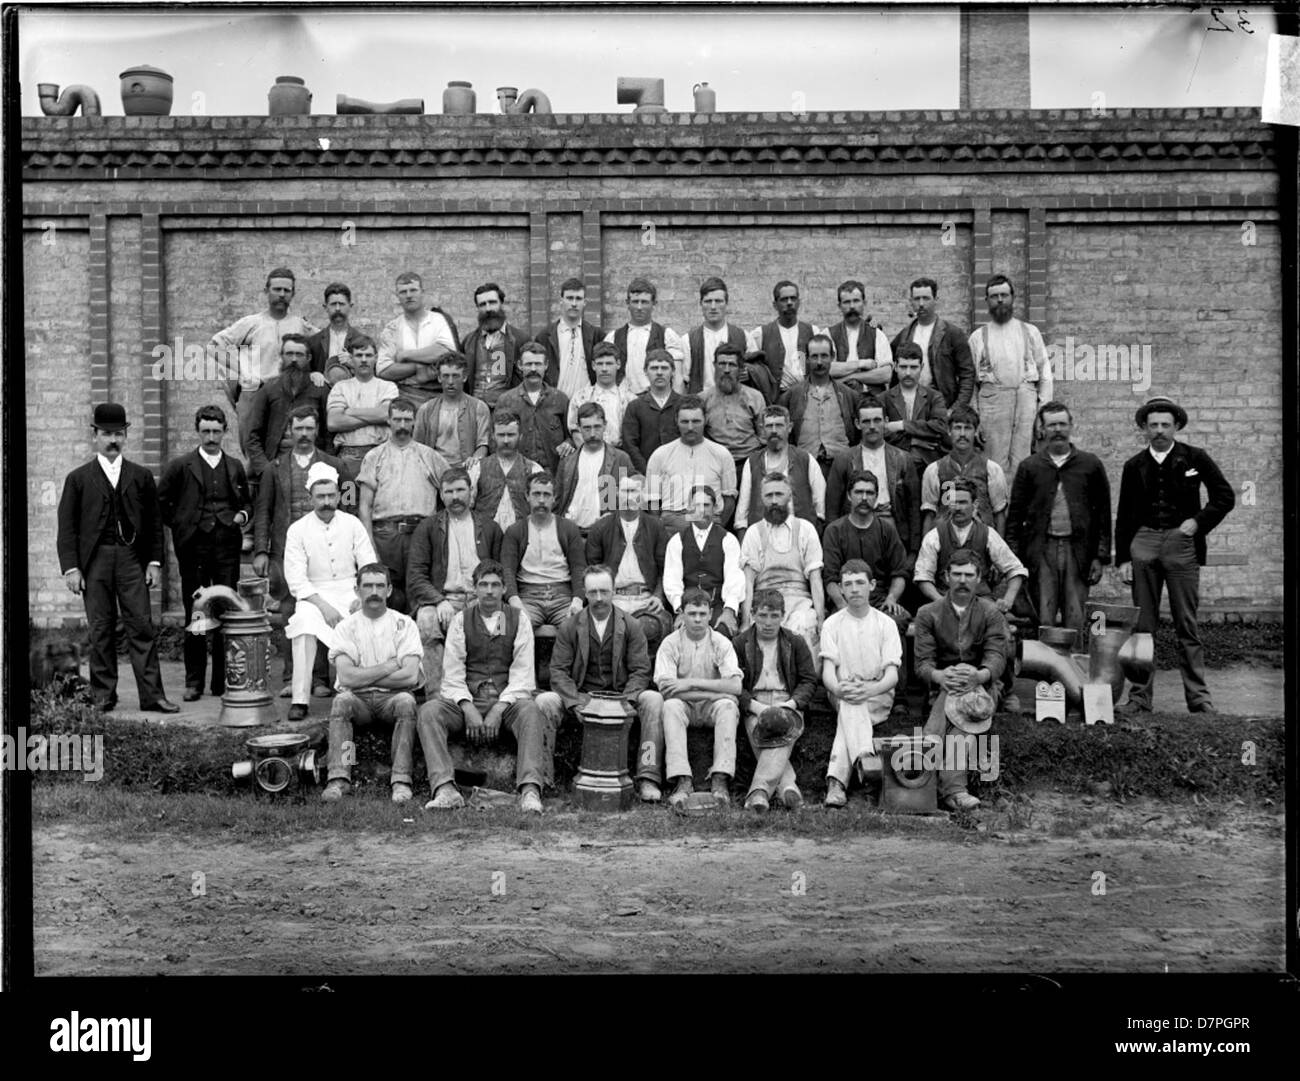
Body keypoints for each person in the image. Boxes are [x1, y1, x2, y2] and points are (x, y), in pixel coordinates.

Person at [1115, 395, 1234, 717]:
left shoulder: (1196, 458)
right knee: (1143, 626)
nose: (1159, 431)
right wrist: (1124, 558)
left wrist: (1198, 522)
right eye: (1153, 425)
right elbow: (1125, 515)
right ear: (1144, 428)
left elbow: (1225, 496)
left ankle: (1198, 698)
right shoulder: (1134, 465)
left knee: (1187, 624)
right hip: (1144, 542)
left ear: (1176, 426)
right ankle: (1140, 697)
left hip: (1182, 545)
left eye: (1165, 425)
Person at [56, 403, 178, 713]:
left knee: (141, 626)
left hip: (130, 560)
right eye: (107, 434)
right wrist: (72, 568)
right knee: (101, 629)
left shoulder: (139, 476)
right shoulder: (78, 479)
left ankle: (153, 696)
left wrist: (153, 562)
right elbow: (67, 528)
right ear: (94, 435)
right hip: (94, 562)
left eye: (119, 434)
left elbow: (154, 524)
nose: (113, 440)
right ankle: (103, 696)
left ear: (126, 436)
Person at [419, 559, 550, 814]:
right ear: (475, 589)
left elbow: (523, 674)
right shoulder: (461, 620)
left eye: (495, 585)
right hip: (470, 697)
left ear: (503, 589)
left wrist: (499, 709)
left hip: (506, 699)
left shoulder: (518, 619)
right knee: (428, 712)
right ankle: (445, 789)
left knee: (532, 712)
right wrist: (467, 708)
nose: (489, 591)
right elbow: (453, 674)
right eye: (483, 585)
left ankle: (530, 790)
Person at [538, 564, 667, 802]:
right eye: (593, 592)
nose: (599, 598)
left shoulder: (631, 625)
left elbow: (640, 671)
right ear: (585, 594)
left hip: (621, 697)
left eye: (604, 592)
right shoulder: (569, 626)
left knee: (654, 700)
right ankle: (545, 779)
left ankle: (648, 776)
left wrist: (627, 702)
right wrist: (575, 703)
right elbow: (558, 671)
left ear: (613, 592)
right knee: (545, 701)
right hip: (582, 696)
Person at [252, 407, 354, 692]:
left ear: (317, 430)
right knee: (289, 613)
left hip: (326, 550)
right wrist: (261, 550)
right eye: (299, 429)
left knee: (322, 610)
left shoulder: (337, 466)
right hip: (286, 551)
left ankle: (319, 679)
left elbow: (350, 505)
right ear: (289, 431)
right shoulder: (274, 469)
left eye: (309, 428)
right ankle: (291, 678)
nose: (304, 434)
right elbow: (263, 512)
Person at [157, 405, 253, 702]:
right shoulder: (180, 466)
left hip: (226, 546)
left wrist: (240, 517)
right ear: (197, 431)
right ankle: (194, 681)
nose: (211, 437)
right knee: (196, 613)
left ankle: (221, 681)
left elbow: (248, 503)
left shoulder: (235, 465)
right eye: (205, 431)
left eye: (216, 431)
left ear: (225, 431)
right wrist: (183, 526)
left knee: (226, 612)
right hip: (194, 548)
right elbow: (162, 503)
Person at [913, 478, 1028, 711]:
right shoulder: (935, 536)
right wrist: (945, 604)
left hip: (981, 600)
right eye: (954, 502)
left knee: (1004, 631)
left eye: (964, 502)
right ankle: (937, 688)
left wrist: (1007, 599)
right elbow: (923, 577)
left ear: (974, 506)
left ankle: (1004, 688)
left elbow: (1015, 569)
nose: (958, 507)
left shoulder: (988, 534)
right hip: (944, 597)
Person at [1005, 401, 1111, 646]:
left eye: (1062, 424)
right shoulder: (1030, 467)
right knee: (1044, 615)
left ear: (1071, 426)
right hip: (1042, 551)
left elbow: (1103, 515)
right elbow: (1015, 517)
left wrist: (1100, 556)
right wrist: (1015, 559)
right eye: (1052, 425)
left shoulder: (1090, 465)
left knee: (1075, 615)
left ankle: (1074, 673)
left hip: (1079, 551)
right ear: (1042, 430)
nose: (1058, 430)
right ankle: (1048, 676)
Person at [913, 548, 1009, 811]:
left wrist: (978, 675)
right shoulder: (927, 613)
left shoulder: (990, 613)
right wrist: (940, 676)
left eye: (969, 575)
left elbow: (997, 658)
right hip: (942, 689)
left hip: (982, 689)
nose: (963, 581)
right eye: (957, 574)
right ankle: (954, 790)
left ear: (979, 578)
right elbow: (922, 664)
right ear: (946, 577)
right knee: (957, 698)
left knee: (967, 704)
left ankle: (928, 773)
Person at [320, 563, 424, 804]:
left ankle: (400, 780)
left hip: (392, 700)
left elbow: (410, 676)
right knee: (342, 701)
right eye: (368, 586)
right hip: (359, 701)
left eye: (380, 586)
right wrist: (389, 666)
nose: (374, 591)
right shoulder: (346, 627)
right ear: (357, 590)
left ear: (389, 590)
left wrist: (363, 674)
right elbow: (346, 678)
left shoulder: (405, 624)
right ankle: (340, 777)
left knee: (407, 702)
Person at [282, 463, 379, 719]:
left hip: (350, 591)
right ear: (310, 498)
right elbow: (296, 580)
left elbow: (368, 565)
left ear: (338, 495)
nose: (326, 502)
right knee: (303, 624)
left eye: (330, 495)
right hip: (314, 595)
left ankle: (360, 693)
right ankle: (300, 699)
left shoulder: (353, 524)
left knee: (367, 619)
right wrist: (323, 606)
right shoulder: (298, 530)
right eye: (320, 496)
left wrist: (363, 596)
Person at [407, 467, 504, 694]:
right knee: (426, 620)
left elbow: (501, 572)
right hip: (444, 599)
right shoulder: (428, 527)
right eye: (449, 491)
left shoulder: (489, 527)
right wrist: (439, 601)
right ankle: (437, 695)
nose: (455, 497)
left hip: (483, 599)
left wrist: (488, 600)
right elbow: (416, 575)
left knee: (501, 623)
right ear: (441, 495)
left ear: (471, 491)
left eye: (461, 490)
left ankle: (490, 691)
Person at [209, 267, 319, 459]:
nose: (281, 295)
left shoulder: (299, 324)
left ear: (293, 294)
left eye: (286, 290)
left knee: (285, 447)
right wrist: (242, 370)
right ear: (266, 291)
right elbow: (214, 346)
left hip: (287, 395)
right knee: (253, 447)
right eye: (277, 289)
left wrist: (318, 373)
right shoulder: (252, 323)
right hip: (255, 391)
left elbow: (321, 344)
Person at [820, 560, 903, 807]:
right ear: (841, 590)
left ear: (872, 585)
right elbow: (827, 673)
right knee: (849, 702)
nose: (854, 589)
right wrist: (837, 689)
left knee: (851, 708)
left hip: (878, 693)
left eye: (860, 583)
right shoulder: (832, 624)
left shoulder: (885, 623)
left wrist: (869, 689)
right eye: (848, 584)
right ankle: (865, 758)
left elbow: (892, 676)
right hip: (842, 691)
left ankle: (836, 783)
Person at [357, 398, 450, 614]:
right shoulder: (374, 456)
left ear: (414, 422)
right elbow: (364, 507)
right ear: (388, 421)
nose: (401, 425)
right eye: (397, 419)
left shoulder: (429, 456)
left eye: (407, 420)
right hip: (385, 536)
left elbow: (453, 488)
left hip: (420, 533)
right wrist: (369, 546)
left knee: (420, 593)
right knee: (386, 595)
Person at [656, 587, 745, 809]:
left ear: (710, 615)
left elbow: (735, 685)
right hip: (685, 706)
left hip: (711, 707)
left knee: (727, 706)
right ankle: (682, 780)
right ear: (682, 614)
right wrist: (717, 691)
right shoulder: (670, 643)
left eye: (702, 614)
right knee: (671, 706)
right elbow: (667, 691)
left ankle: (720, 780)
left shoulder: (721, 642)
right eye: (692, 613)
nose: (697, 619)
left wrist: (690, 683)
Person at [733, 588, 818, 812]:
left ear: (783, 615)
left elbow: (809, 680)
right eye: (762, 616)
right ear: (752, 615)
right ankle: (788, 787)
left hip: (787, 702)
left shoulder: (795, 642)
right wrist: (756, 707)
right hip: (756, 704)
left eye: (774, 616)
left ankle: (759, 792)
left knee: (782, 726)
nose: (768, 622)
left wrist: (791, 705)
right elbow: (734, 685)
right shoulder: (741, 643)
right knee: (764, 731)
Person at [968, 274, 1053, 476]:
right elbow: (970, 384)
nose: (999, 300)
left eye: (1004, 295)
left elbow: (1046, 376)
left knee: (1026, 465)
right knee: (993, 467)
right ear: (987, 301)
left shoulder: (1030, 332)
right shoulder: (978, 337)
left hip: (1026, 405)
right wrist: (975, 420)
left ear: (1012, 298)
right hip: (992, 405)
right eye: (994, 296)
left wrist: (1043, 416)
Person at [584, 472, 673, 656]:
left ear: (642, 496)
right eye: (624, 491)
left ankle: (645, 677)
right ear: (617, 495)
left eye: (634, 491)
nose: (629, 496)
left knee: (650, 627)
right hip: (612, 599)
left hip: (645, 600)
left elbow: (666, 569)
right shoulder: (601, 527)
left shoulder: (655, 526)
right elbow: (592, 570)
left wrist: (658, 596)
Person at [739, 472, 825, 658]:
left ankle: (805, 684)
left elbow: (815, 579)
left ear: (789, 496)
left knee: (804, 627)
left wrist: (820, 619)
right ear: (762, 499)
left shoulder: (805, 529)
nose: (774, 501)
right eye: (769, 496)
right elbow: (747, 583)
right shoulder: (754, 533)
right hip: (764, 603)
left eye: (779, 494)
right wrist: (745, 621)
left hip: (799, 603)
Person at [825, 398, 921, 557]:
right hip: (855, 525)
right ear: (857, 423)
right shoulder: (844, 460)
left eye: (877, 420)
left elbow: (913, 508)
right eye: (866, 421)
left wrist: (913, 551)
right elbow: (832, 508)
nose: (872, 427)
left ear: (886, 421)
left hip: (892, 523)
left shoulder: (903, 459)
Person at [822, 469, 911, 631]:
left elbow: (900, 572)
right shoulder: (834, 531)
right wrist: (842, 606)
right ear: (849, 496)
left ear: (876, 498)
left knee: (896, 621)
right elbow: (830, 578)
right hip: (847, 597)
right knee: (843, 625)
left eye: (869, 493)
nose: (864, 498)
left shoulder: (887, 530)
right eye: (859, 492)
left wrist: (892, 598)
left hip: (879, 598)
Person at [500, 470, 587, 630]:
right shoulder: (515, 531)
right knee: (507, 626)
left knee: (579, 628)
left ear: (554, 498)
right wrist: (514, 600)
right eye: (536, 494)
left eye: (547, 495)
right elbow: (507, 570)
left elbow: (578, 568)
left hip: (562, 595)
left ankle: (564, 657)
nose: (541, 500)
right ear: (527, 496)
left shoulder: (568, 529)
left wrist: (577, 600)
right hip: (528, 595)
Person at [644, 395, 737, 534]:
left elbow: (729, 499)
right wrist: (660, 531)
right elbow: (652, 500)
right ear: (676, 421)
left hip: (710, 521)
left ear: (705, 419)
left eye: (696, 421)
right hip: (671, 523)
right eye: (684, 421)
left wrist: (717, 530)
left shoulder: (722, 454)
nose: (690, 427)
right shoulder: (660, 455)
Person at [661, 485, 744, 639]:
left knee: (723, 633)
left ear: (715, 508)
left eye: (706, 505)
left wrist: (729, 611)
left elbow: (734, 578)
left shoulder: (728, 540)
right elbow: (672, 580)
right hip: (688, 607)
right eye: (696, 505)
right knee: (682, 635)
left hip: (716, 605)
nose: (701, 511)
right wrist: (680, 610)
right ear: (688, 508)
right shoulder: (677, 541)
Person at [243, 334, 329, 479]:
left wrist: (325, 467)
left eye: (299, 354)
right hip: (275, 463)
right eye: (289, 354)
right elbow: (252, 435)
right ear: (281, 357)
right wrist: (265, 470)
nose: (294, 359)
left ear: (308, 358)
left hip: (314, 465)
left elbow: (329, 435)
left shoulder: (320, 389)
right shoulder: (268, 389)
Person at [920, 403, 1008, 536]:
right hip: (947, 542)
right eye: (957, 428)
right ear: (949, 431)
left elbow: (999, 514)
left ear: (976, 431)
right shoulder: (934, 470)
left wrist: (999, 549)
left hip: (981, 541)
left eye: (967, 428)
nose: (962, 434)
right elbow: (930, 514)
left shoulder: (992, 469)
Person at [375, 271, 460, 408]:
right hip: (405, 395)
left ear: (422, 292)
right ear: (397, 296)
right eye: (403, 292)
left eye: (413, 290)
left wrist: (406, 355)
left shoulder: (438, 320)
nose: (409, 295)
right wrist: (419, 367)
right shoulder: (392, 328)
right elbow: (383, 371)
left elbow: (447, 352)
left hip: (440, 394)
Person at [780, 334, 859, 478]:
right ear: (807, 359)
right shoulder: (792, 395)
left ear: (832, 357)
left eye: (824, 356)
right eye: (814, 356)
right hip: (804, 466)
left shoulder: (848, 395)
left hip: (841, 467)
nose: (820, 362)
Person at [889, 276, 975, 408]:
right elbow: (894, 375)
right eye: (917, 299)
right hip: (911, 405)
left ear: (936, 301)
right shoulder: (904, 335)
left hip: (943, 404)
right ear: (911, 302)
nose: (921, 304)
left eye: (926, 298)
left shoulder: (952, 334)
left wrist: (955, 410)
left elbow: (967, 375)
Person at [701, 343, 766, 500]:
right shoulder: (703, 399)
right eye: (722, 364)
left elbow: (764, 436)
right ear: (714, 366)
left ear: (741, 368)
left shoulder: (754, 397)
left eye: (732, 365)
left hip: (749, 464)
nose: (727, 369)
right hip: (715, 466)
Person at [495, 341, 570, 475]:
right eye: (529, 364)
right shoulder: (506, 400)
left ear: (546, 365)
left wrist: (568, 444)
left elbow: (570, 436)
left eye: (538, 364)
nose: (533, 369)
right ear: (520, 365)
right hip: (517, 474)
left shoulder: (560, 399)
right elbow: (495, 440)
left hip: (553, 474)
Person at [555, 402, 633, 532]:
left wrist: (615, 517)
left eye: (597, 427)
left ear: (605, 426)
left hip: (606, 533)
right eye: (587, 428)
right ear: (578, 428)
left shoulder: (620, 459)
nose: (592, 434)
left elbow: (631, 499)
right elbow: (557, 500)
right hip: (572, 533)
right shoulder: (567, 462)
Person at [745, 280, 824, 403]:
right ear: (775, 305)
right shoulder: (760, 334)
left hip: (807, 397)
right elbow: (754, 369)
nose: (789, 303)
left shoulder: (812, 332)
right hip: (776, 398)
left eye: (793, 298)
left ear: (799, 302)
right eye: (784, 299)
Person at [326, 334, 398, 469]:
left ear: (376, 358)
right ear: (351, 359)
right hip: (348, 456)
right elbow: (334, 422)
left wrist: (350, 411)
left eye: (368, 355)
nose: (364, 360)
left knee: (382, 490)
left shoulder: (388, 387)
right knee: (349, 490)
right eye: (359, 355)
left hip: (382, 454)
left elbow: (386, 415)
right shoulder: (340, 387)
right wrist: (375, 416)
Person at [604, 277, 685, 395]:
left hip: (656, 401)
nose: (639, 307)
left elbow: (677, 379)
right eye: (635, 302)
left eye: (644, 302)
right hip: (622, 401)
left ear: (654, 304)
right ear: (628, 303)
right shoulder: (613, 337)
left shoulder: (667, 336)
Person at [412, 354, 492, 469]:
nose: (450, 381)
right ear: (439, 378)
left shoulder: (479, 407)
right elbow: (417, 447)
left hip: (467, 470)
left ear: (464, 377)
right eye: (445, 376)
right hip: (434, 470)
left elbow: (483, 444)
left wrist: (475, 459)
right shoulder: (426, 409)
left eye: (455, 376)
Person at [880, 343, 950, 471]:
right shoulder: (883, 399)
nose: (908, 373)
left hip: (930, 465)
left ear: (921, 367)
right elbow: (880, 432)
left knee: (948, 488)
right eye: (903, 367)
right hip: (894, 466)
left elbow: (940, 427)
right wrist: (912, 441)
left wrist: (901, 425)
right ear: (895, 367)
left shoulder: (934, 397)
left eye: (913, 367)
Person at [535, 277, 605, 400]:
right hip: (554, 402)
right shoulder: (544, 337)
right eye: (569, 298)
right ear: (561, 301)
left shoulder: (596, 335)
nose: (574, 303)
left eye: (578, 298)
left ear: (585, 302)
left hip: (588, 403)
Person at [460, 282, 527, 408]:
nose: (488, 308)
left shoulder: (520, 339)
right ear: (477, 308)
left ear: (501, 303)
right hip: (475, 412)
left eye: (492, 302)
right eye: (482, 304)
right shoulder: (468, 342)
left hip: (508, 412)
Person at [472, 410, 540, 533]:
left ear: (520, 436)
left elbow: (539, 509)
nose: (506, 440)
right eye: (501, 435)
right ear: (493, 436)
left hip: (522, 538)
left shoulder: (533, 469)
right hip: (485, 538)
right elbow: (467, 507)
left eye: (511, 435)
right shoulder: (477, 468)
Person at [620, 348, 683, 474]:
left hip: (680, 472)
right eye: (654, 368)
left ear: (673, 371)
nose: (659, 373)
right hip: (645, 473)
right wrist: (647, 471)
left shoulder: (683, 404)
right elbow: (630, 444)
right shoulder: (635, 406)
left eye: (664, 368)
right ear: (645, 372)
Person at [682, 277, 747, 394]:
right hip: (702, 402)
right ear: (700, 304)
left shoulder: (743, 336)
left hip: (736, 401)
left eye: (718, 301)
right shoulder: (688, 340)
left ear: (726, 303)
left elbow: (757, 369)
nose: (713, 307)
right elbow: (683, 380)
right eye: (708, 301)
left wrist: (749, 371)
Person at [826, 279, 893, 393]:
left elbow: (886, 374)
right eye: (846, 302)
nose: (852, 306)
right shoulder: (828, 334)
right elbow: (826, 368)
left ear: (864, 303)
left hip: (871, 400)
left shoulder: (877, 335)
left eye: (856, 301)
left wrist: (849, 377)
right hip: (840, 398)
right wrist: (861, 364)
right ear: (839, 306)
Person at [565, 342, 635, 451]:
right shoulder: (580, 397)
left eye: (609, 363)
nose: (604, 369)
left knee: (624, 468)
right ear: (593, 365)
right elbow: (576, 432)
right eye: (600, 364)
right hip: (590, 455)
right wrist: (593, 456)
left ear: (618, 364)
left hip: (621, 457)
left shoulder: (630, 399)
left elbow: (633, 437)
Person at [307, 282, 370, 384]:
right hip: (322, 395)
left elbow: (372, 375)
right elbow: (302, 372)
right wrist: (312, 375)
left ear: (350, 306)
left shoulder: (362, 341)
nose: (337, 309)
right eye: (333, 304)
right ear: (325, 307)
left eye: (341, 304)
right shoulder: (313, 341)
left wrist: (354, 363)